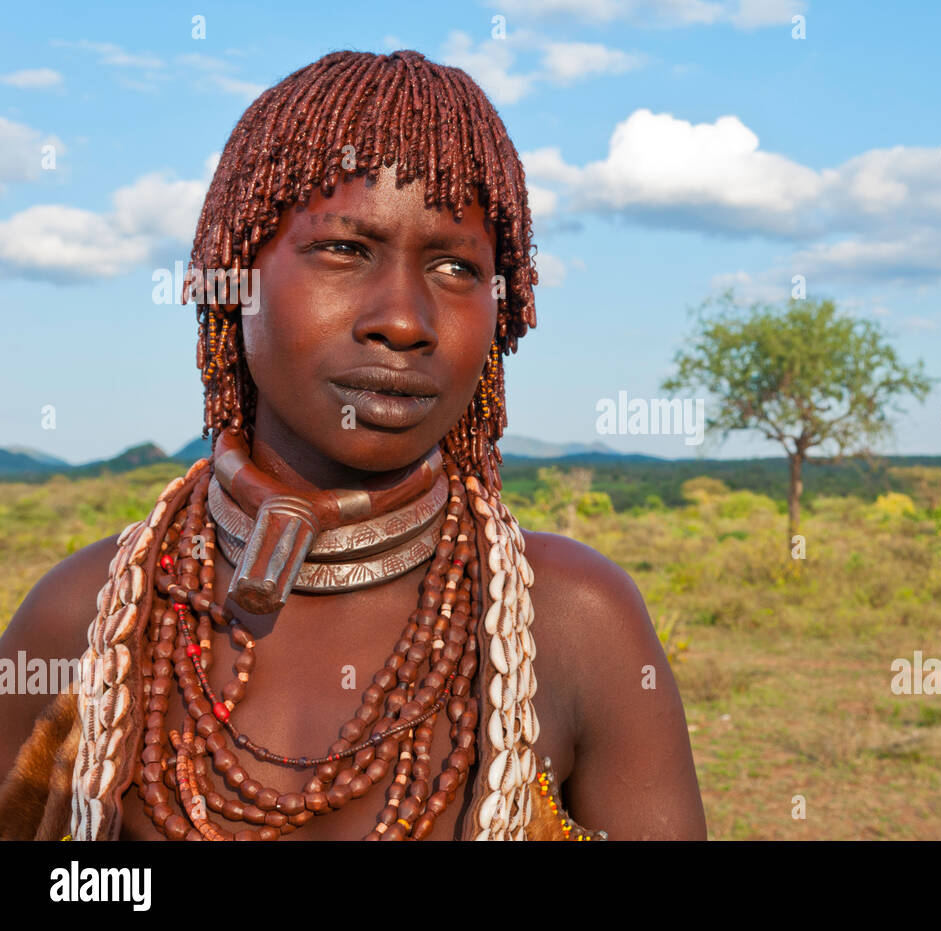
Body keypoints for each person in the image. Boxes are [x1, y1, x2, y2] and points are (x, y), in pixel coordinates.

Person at [0, 50, 706, 841]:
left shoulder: (572, 622)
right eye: (344, 250)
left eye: (454, 265)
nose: (404, 320)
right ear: (235, 274)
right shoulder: (90, 618)